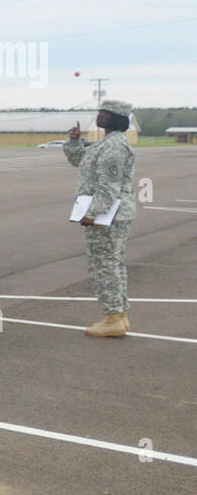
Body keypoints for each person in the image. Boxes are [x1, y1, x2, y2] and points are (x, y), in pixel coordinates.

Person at [63, 102, 136, 337]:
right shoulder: (106, 143)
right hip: (109, 214)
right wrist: (75, 141)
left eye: (104, 113)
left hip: (108, 216)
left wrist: (92, 213)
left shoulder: (114, 146)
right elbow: (80, 160)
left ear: (114, 118)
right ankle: (119, 315)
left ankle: (112, 317)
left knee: (104, 266)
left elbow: (109, 186)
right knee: (113, 264)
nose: (99, 116)